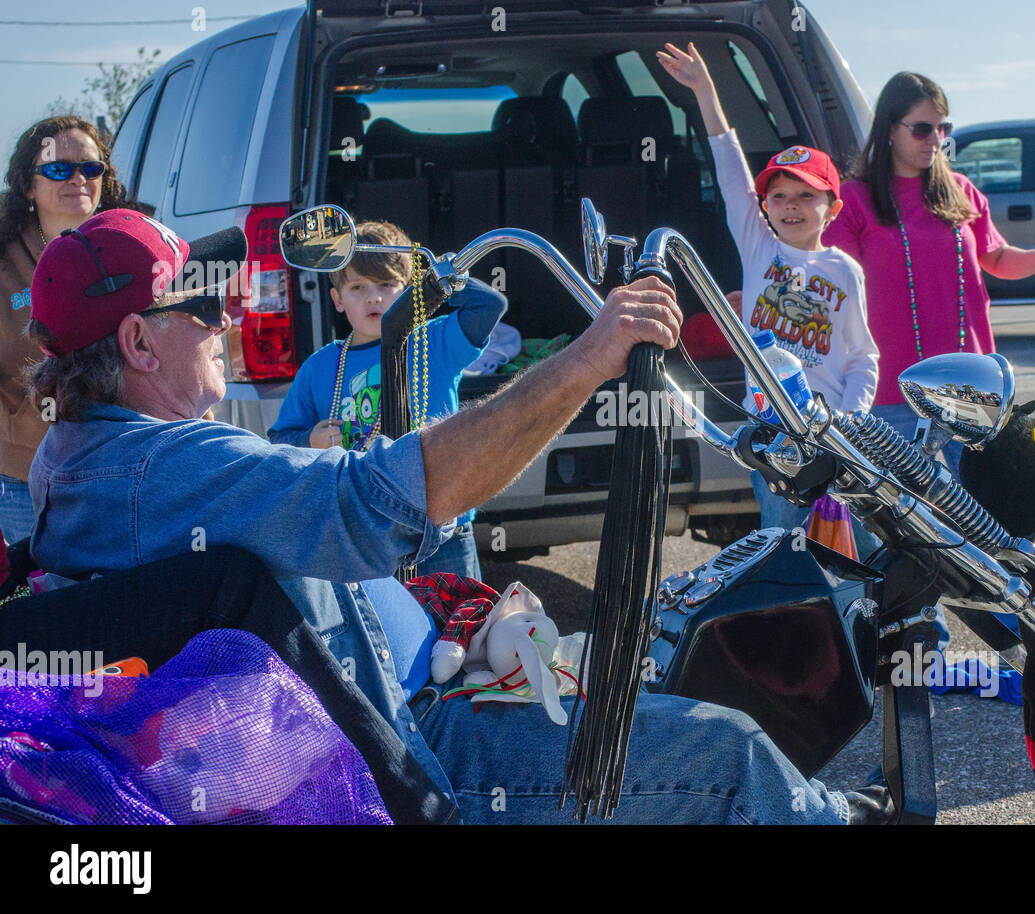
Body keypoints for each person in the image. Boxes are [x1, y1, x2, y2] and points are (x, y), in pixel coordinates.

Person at [22, 209, 871, 824]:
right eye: (200, 309)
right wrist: (588, 357)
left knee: (673, 678)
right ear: (138, 344)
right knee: (726, 753)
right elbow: (377, 503)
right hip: (422, 742)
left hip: (418, 683)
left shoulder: (88, 457)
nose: (227, 319)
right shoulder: (161, 468)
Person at [657, 41, 880, 534]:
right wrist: (705, 92)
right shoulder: (760, 249)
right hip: (775, 441)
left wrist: (848, 422)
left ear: (833, 208)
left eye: (806, 194)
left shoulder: (845, 270)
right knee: (788, 551)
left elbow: (864, 356)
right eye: (778, 196)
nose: (790, 205)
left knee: (857, 557)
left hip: (838, 442)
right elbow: (733, 177)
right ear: (765, 208)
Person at [822, 72, 1035, 472]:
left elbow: (995, 258)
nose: (936, 140)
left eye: (944, 127)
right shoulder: (855, 199)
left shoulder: (960, 189)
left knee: (984, 512)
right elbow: (830, 282)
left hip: (970, 389)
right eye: (923, 129)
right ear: (890, 129)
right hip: (890, 389)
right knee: (901, 517)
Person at [268, 220, 506, 580]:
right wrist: (311, 440)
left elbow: (490, 305)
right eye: (357, 287)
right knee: (385, 634)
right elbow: (280, 443)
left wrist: (439, 281)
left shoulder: (435, 342)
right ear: (337, 299)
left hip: (441, 529)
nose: (373, 297)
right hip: (364, 532)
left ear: (408, 287)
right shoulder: (319, 367)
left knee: (460, 631)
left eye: (386, 284)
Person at [0, 115, 126, 544]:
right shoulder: (3, 263)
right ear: (28, 186)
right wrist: (19, 429)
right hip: (24, 480)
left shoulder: (128, 248)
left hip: (120, 468)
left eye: (91, 168)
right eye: (58, 168)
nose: (78, 179)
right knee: (37, 605)